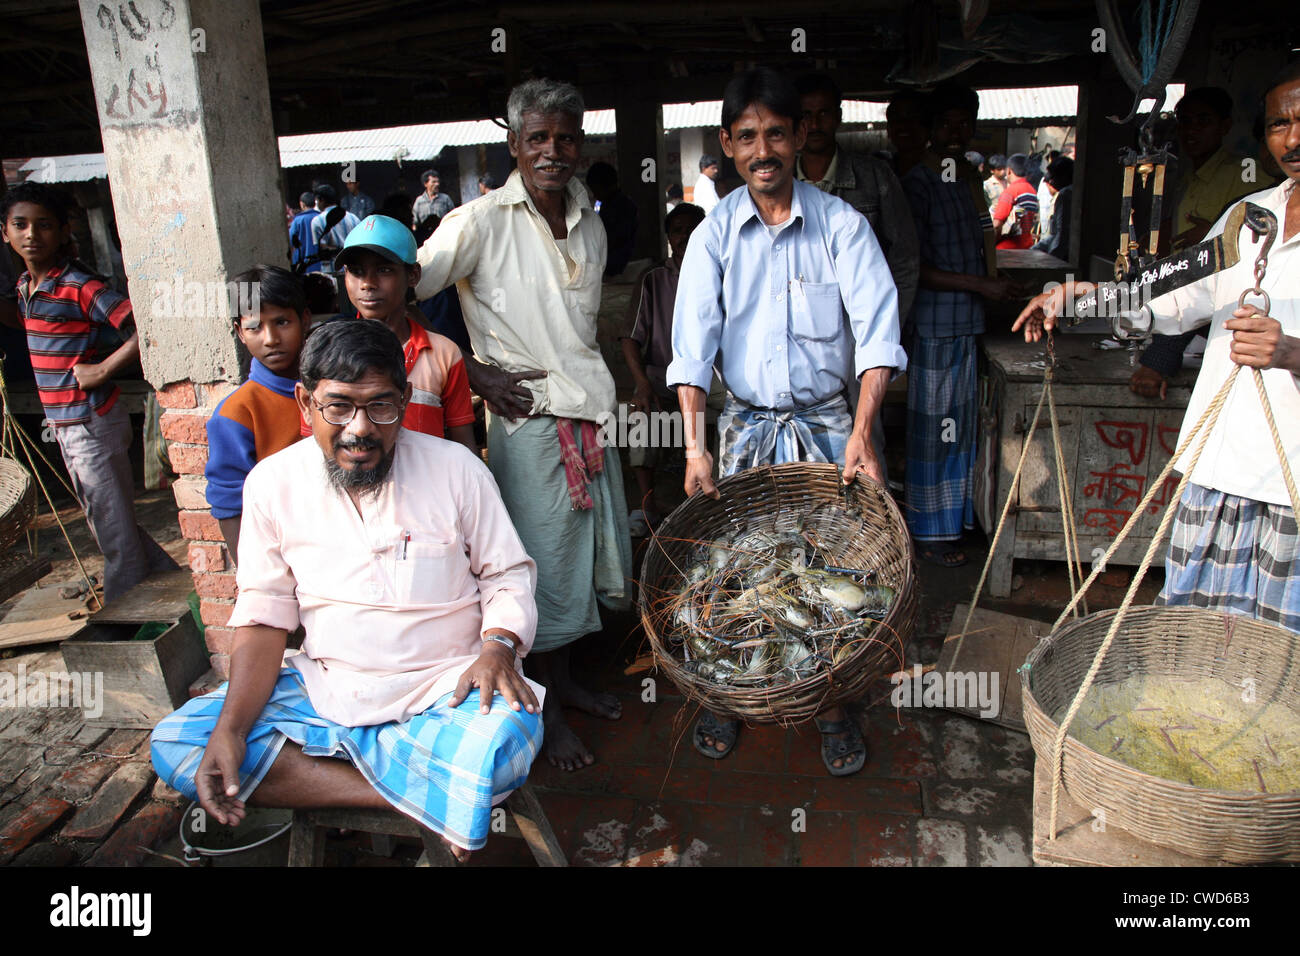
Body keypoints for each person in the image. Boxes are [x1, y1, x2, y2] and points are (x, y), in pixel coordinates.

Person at [151, 319, 542, 860]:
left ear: (404, 400)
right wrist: (233, 728)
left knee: (508, 745)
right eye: (338, 407)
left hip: (447, 686)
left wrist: (498, 646)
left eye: (381, 407)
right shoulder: (271, 483)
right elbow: (263, 616)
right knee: (182, 743)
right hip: (330, 690)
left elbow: (506, 574)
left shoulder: (459, 470)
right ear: (304, 402)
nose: (360, 429)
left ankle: (445, 786)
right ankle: (423, 797)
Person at [668, 67, 906, 775]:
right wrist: (693, 447)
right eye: (748, 137)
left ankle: (833, 704)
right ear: (728, 145)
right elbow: (691, 349)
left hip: (834, 429)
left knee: (836, 568)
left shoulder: (841, 225)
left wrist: (862, 435)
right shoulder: (714, 235)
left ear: (800, 135)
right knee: (742, 566)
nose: (763, 149)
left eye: (776, 132)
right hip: (744, 428)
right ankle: (731, 691)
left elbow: (880, 336)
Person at [1012, 61, 1300, 635]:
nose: (1292, 139)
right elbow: (1169, 298)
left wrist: (1292, 352)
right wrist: (1079, 299)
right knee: (1191, 649)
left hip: (1290, 486)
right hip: (1216, 468)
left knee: (1274, 662)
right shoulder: (1248, 218)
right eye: (1277, 125)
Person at [413, 78, 633, 774]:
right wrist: (471, 372)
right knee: (533, 572)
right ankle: (545, 709)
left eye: (565, 137)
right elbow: (396, 290)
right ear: (514, 144)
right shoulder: (478, 221)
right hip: (530, 421)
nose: (552, 150)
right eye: (537, 138)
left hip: (591, 412)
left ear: (581, 144)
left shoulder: (590, 219)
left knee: (581, 568)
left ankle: (563, 683)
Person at [0, 182, 177, 603]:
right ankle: (168, 582)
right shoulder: (27, 287)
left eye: (43, 225)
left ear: (62, 232)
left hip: (92, 422)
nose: (31, 235)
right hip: (65, 425)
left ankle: (125, 609)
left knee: (113, 534)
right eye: (20, 225)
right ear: (5, 232)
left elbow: (145, 329)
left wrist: (102, 369)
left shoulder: (78, 285)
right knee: (108, 522)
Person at [902, 81, 1022, 568]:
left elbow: (980, 246)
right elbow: (915, 266)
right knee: (935, 433)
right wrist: (980, 286)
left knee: (960, 430)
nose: (956, 132)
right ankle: (928, 533)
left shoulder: (967, 176)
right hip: (935, 323)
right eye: (946, 124)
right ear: (931, 129)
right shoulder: (919, 181)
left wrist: (989, 286)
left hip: (966, 322)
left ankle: (953, 523)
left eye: (963, 123)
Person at [1131, 86, 1257, 401]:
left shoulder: (1243, 173)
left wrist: (1225, 233)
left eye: (1204, 121)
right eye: (1186, 122)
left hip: (1225, 307)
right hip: (1187, 306)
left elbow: (1261, 229)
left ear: (1225, 126)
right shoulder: (1190, 176)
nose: (1192, 130)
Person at [335, 215, 477, 453]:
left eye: (383, 270)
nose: (367, 283)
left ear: (413, 275)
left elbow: (463, 442)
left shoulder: (443, 354)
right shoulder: (332, 352)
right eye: (357, 271)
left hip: (428, 486)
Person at [796, 72, 919, 325]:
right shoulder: (779, 184)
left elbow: (905, 259)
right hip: (799, 329)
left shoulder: (874, 176)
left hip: (862, 323)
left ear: (839, 117)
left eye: (824, 113)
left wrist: (888, 330)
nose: (815, 124)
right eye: (806, 115)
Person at [205, 266, 310, 558]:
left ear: (305, 319)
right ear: (240, 332)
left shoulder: (330, 391)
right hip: (285, 553)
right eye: (254, 327)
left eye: (282, 322)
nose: (271, 338)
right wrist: (254, 580)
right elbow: (230, 504)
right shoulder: (237, 414)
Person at [621, 202, 708, 532]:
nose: (685, 237)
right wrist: (642, 384)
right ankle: (647, 507)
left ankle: (718, 499)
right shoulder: (653, 278)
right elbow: (630, 338)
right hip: (662, 375)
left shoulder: (720, 270)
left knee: (732, 407)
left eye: (692, 229)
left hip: (709, 377)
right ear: (669, 237)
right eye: (678, 230)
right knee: (637, 414)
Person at [586, 161, 638, 277]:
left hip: (619, 269)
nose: (594, 195)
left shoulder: (619, 206)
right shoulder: (612, 204)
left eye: (595, 189)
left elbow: (613, 240)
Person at [990, 153, 1040, 250]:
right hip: (1027, 244)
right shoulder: (1032, 190)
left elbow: (996, 225)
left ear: (1008, 171)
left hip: (1009, 246)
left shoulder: (1011, 191)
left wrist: (990, 246)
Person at [1032, 156, 1073, 258]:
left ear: (1064, 176)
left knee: (1069, 274)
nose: (1050, 182)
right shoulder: (1068, 192)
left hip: (1066, 260)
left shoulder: (1066, 194)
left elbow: (1062, 234)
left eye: (1054, 177)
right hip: (1067, 256)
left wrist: (1053, 261)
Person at [885, 89, 929, 178]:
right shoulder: (877, 170)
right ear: (888, 128)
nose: (903, 125)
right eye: (896, 118)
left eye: (913, 117)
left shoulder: (947, 170)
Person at [310, 184, 360, 255]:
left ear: (321, 200)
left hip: (331, 265)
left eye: (317, 200)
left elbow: (322, 247)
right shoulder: (353, 218)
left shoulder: (317, 221)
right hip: (352, 262)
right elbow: (360, 243)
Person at [288, 191, 321, 273]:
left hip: (303, 266)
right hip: (321, 265)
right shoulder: (321, 218)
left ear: (302, 204)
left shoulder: (298, 220)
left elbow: (290, 241)